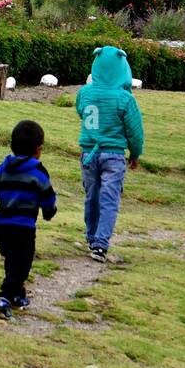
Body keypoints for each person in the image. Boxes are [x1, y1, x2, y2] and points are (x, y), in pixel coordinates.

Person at [0, 119, 57, 319]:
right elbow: (48, 196)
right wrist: (49, 212)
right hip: (23, 228)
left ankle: (18, 295)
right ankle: (4, 298)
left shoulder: (2, 169)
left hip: (1, 228)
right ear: (38, 149)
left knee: (13, 261)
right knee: (22, 264)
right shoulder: (38, 172)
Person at [75, 45, 144, 262]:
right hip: (113, 156)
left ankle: (91, 236)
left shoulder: (84, 93)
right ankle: (100, 244)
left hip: (88, 154)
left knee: (91, 196)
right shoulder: (125, 99)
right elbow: (135, 131)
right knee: (109, 199)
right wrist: (135, 154)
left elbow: (81, 112)